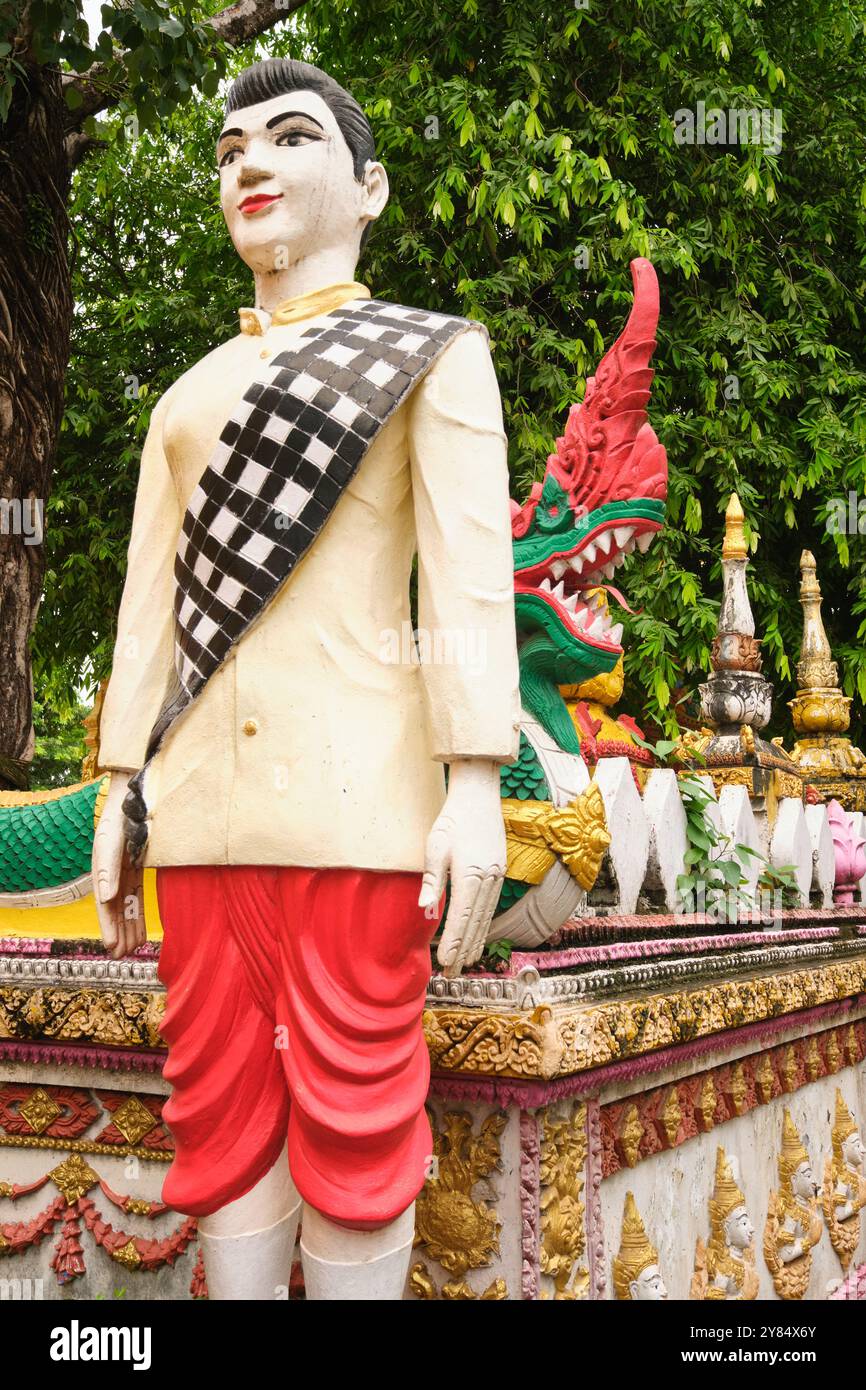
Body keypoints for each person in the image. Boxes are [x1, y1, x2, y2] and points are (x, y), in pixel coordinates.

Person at [92, 57, 521, 1301]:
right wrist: (122, 781)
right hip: (200, 815)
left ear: (369, 187)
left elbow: (466, 587)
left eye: (285, 138)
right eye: (228, 153)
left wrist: (475, 778)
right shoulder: (182, 399)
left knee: (354, 1119)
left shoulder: (431, 358)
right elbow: (146, 618)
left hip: (359, 810)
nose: (251, 167)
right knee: (219, 1119)